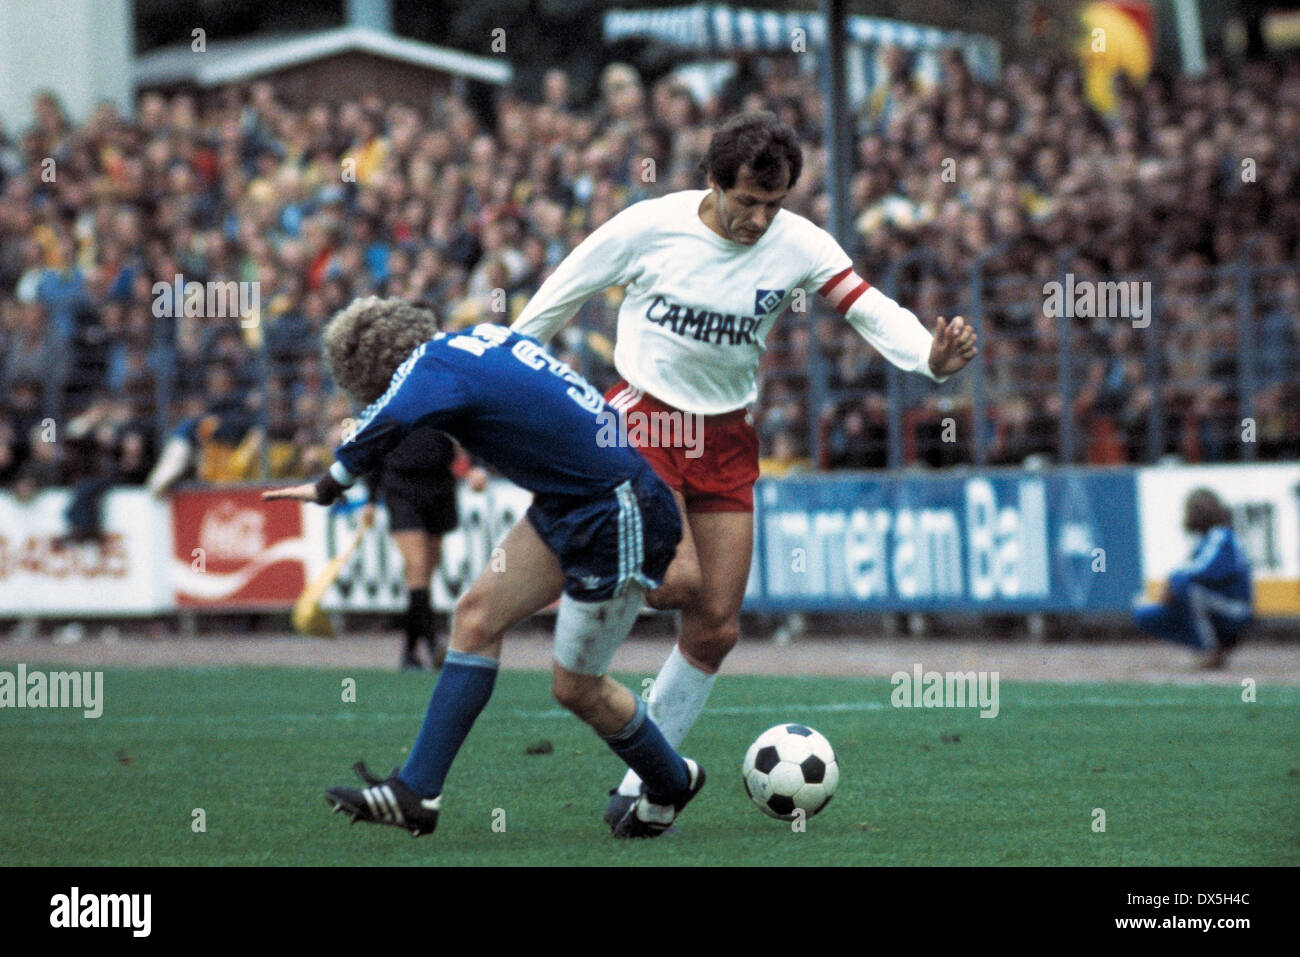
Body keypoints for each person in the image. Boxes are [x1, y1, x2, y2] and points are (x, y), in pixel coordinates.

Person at [510, 110, 979, 828]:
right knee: (678, 579)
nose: (760, 219)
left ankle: (646, 787)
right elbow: (559, 296)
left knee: (715, 627)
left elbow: (867, 307)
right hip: (645, 420)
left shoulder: (798, 242)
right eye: (746, 202)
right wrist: (497, 373)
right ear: (712, 180)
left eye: (773, 204)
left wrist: (929, 358)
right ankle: (588, 585)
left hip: (726, 437)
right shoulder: (649, 227)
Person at [263, 297, 704, 839]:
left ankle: (670, 780)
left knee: (576, 688)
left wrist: (331, 483)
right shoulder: (477, 340)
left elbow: (396, 414)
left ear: (373, 373)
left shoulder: (430, 368)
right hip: (571, 500)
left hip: (614, 508)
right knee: (474, 618)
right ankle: (416, 792)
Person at [360, 426, 488, 672]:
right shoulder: (390, 398)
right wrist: (371, 499)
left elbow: (467, 431)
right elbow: (374, 448)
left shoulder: (441, 395)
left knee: (425, 574)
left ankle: (409, 652)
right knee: (417, 567)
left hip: (439, 486)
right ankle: (432, 644)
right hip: (402, 487)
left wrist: (473, 467)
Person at [1133, 488, 1253, 670]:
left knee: (1186, 587)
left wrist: (1173, 582)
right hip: (1213, 607)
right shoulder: (1202, 541)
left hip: (1234, 610)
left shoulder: (1222, 536)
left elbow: (1208, 570)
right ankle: (1209, 646)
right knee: (1145, 613)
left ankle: (1210, 650)